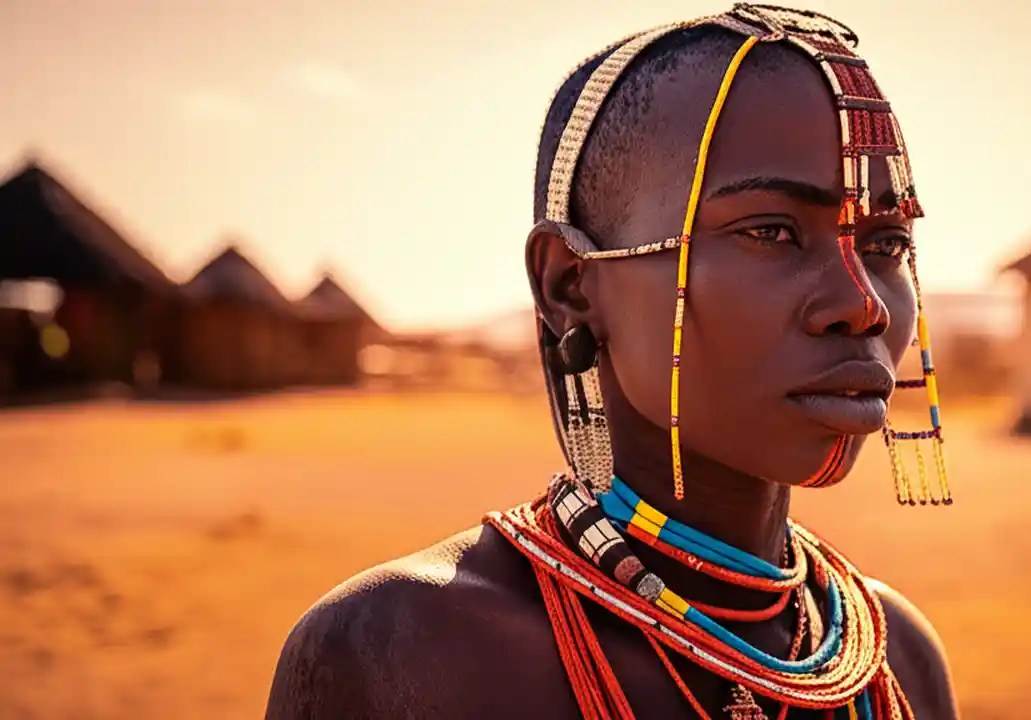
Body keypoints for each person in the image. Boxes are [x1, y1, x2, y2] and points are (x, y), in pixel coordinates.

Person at [266, 4, 958, 718]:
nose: (864, 304)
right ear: (570, 283)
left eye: (886, 245)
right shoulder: (406, 652)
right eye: (773, 231)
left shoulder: (896, 657)